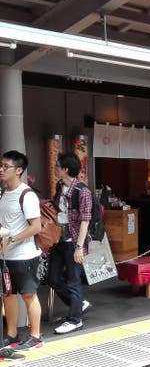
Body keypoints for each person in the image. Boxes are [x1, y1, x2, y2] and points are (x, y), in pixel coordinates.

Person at [0, 150, 44, 350]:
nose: (1, 169)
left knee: (28, 295)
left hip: (25, 255)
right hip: (6, 255)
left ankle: (35, 336)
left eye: (5, 166)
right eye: (1, 165)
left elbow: (36, 227)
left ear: (18, 170)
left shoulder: (27, 194)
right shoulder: (3, 192)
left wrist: (11, 238)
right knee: (8, 295)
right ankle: (12, 335)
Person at [50, 152, 93, 335]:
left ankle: (75, 320)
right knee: (52, 278)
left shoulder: (82, 191)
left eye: (57, 166)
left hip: (73, 242)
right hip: (59, 240)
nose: (55, 168)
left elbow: (85, 220)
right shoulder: (60, 186)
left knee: (74, 282)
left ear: (66, 169)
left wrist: (79, 247)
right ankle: (79, 304)